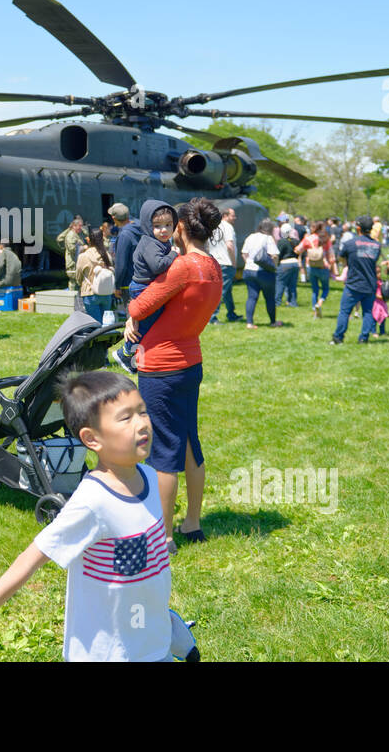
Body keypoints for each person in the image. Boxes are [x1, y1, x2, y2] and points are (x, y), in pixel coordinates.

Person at [0, 371, 179, 662]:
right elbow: (31, 558)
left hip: (153, 643)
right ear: (92, 439)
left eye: (142, 411)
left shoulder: (151, 478)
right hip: (109, 653)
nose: (142, 423)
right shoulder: (93, 502)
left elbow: (150, 570)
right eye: (126, 418)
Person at [124, 198, 222, 550]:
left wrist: (131, 316)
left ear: (180, 228)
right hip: (190, 360)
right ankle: (192, 523)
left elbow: (138, 305)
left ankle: (163, 536)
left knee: (163, 450)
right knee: (189, 442)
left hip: (161, 366)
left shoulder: (182, 266)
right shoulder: (213, 266)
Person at [113, 200, 178, 370]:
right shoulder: (150, 243)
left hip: (148, 286)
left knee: (149, 326)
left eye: (168, 225)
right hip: (143, 288)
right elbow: (158, 265)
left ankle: (136, 357)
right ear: (148, 226)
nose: (164, 230)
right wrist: (173, 255)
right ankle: (125, 354)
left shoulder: (159, 242)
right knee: (143, 326)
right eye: (157, 226)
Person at [331, 215, 381, 345]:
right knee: (368, 312)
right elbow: (374, 261)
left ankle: (338, 337)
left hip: (353, 284)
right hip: (370, 283)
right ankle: (364, 338)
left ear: (358, 228)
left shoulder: (350, 244)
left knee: (345, 311)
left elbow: (341, 258)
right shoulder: (376, 245)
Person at [241, 218, 281, 329]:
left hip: (248, 270)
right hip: (265, 272)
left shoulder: (250, 237)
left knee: (252, 297)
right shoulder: (268, 238)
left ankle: (249, 323)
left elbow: (244, 253)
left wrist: (249, 263)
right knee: (269, 298)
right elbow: (274, 255)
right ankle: (273, 322)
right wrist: (274, 266)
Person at [207, 205, 240, 323]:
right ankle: (212, 317)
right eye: (233, 215)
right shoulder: (228, 227)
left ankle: (231, 314)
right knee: (221, 291)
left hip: (214, 262)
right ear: (225, 216)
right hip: (226, 263)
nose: (235, 217)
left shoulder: (213, 227)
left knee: (227, 290)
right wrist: (234, 263)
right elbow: (229, 245)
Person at [76, 226, 116, 323]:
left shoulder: (83, 256)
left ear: (89, 240)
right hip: (106, 292)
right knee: (106, 323)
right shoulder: (107, 256)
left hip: (90, 292)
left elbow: (78, 277)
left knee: (95, 323)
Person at [297, 221, 336, 317]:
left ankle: (315, 311)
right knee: (325, 288)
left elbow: (298, 249)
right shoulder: (326, 239)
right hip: (323, 266)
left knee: (315, 290)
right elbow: (332, 255)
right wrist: (332, 267)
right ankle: (320, 302)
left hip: (311, 266)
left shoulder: (308, 239)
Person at [57, 214, 85, 291]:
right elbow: (73, 249)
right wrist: (84, 248)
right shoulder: (71, 236)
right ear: (74, 226)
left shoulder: (77, 235)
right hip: (73, 265)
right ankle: (73, 300)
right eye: (80, 226)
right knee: (74, 284)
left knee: (78, 284)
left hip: (77, 263)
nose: (81, 228)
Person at [275, 223, 301, 307]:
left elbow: (278, 254)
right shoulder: (296, 241)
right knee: (292, 285)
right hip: (295, 263)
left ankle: (277, 302)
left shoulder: (281, 241)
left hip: (284, 263)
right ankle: (292, 302)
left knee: (280, 283)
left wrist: (276, 264)